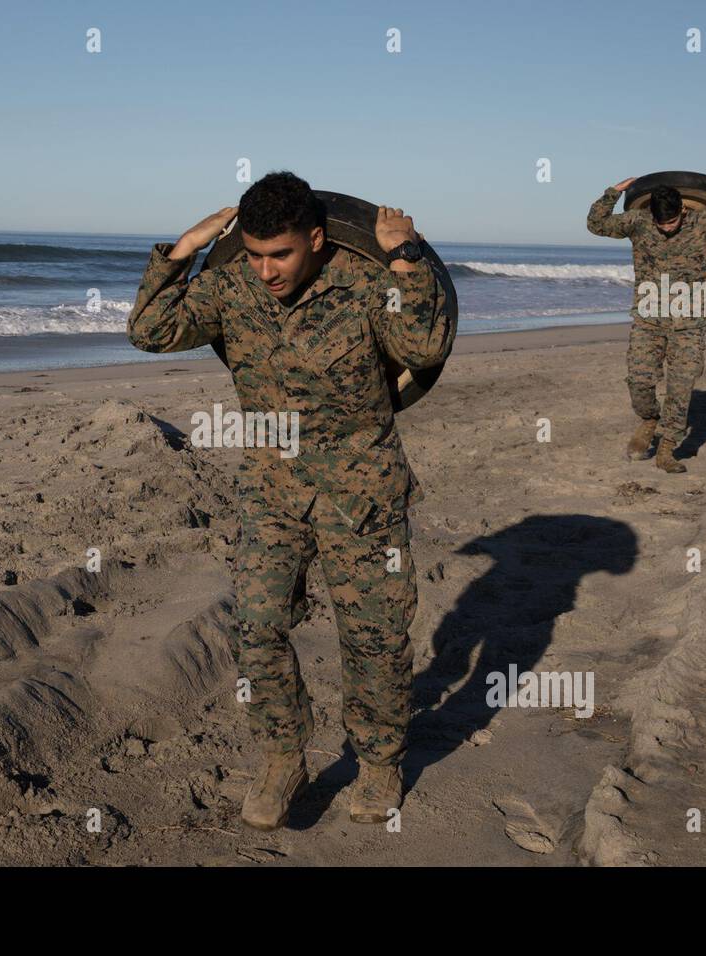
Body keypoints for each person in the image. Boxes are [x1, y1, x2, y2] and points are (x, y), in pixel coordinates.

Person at [127, 171, 454, 829]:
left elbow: (424, 347)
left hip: (361, 490)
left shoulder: (366, 285)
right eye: (255, 254)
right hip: (273, 489)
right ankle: (282, 757)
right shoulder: (231, 288)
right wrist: (183, 251)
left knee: (373, 635)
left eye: (280, 254)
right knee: (257, 623)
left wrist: (404, 256)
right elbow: (149, 331)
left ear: (316, 238)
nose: (267, 270)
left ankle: (379, 762)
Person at [587, 176, 706, 472]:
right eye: (661, 223)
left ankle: (667, 447)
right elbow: (596, 223)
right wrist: (614, 192)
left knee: (681, 386)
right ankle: (649, 419)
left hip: (689, 320)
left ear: (683, 209)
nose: (667, 228)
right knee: (640, 381)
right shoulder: (639, 222)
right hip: (649, 317)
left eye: (671, 222)